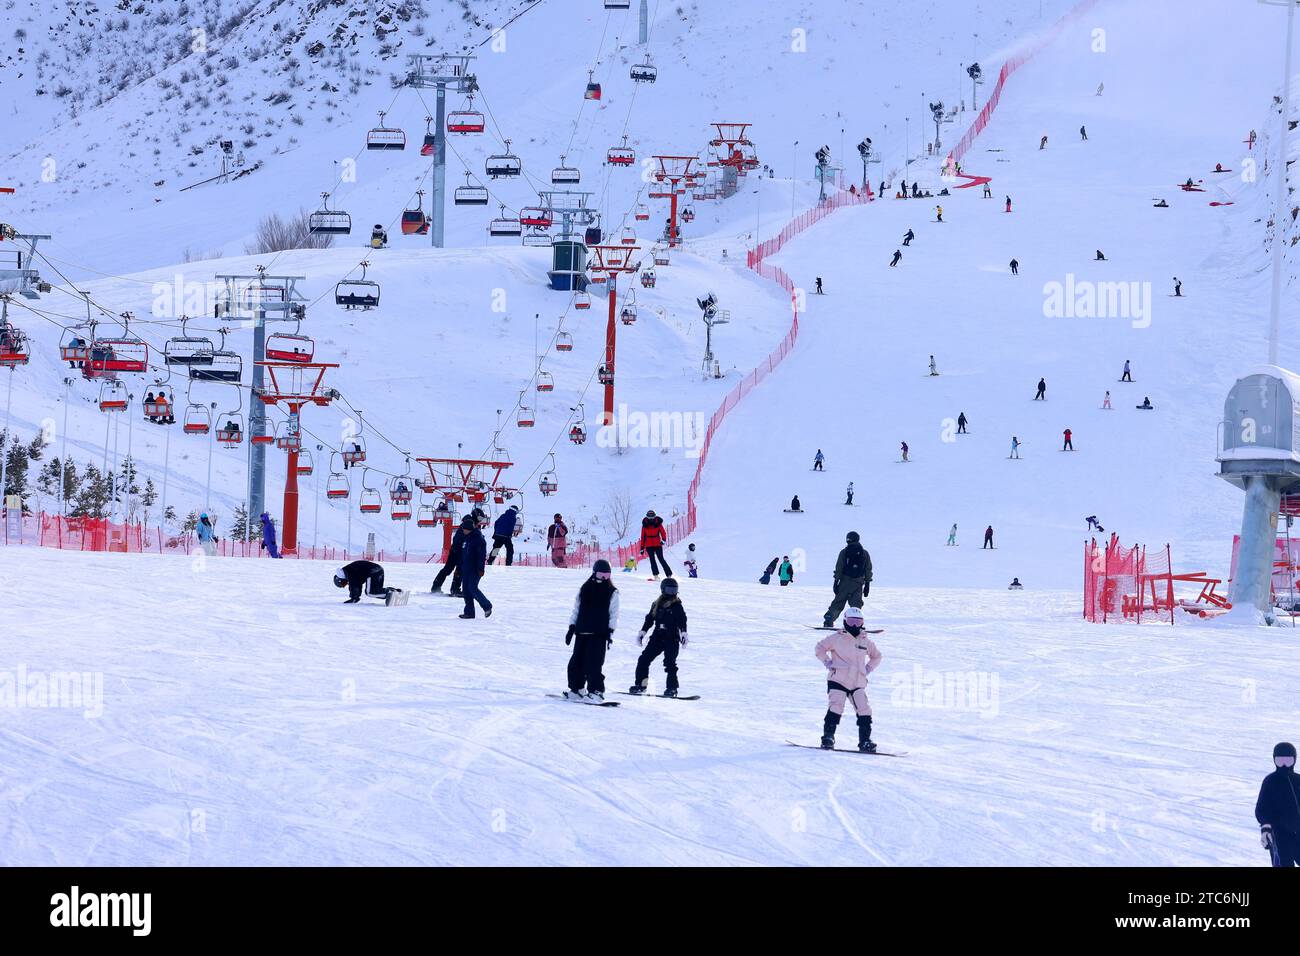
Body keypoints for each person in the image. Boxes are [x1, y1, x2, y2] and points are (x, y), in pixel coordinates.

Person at [814, 606, 882, 752]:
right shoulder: (837, 638)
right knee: (836, 706)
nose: (854, 626)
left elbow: (877, 656)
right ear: (845, 621)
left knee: (864, 710)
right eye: (851, 622)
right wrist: (828, 662)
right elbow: (819, 648)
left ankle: (865, 741)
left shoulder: (865, 641)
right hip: (838, 679)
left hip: (857, 682)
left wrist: (867, 669)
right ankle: (828, 737)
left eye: (858, 622)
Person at [564, 559, 620, 701]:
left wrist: (610, 631)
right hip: (582, 631)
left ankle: (596, 691)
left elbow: (614, 614)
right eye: (601, 574)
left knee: (593, 664)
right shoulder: (584, 589)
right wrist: (571, 627)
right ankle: (576, 689)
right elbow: (576, 610)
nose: (603, 578)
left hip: (599, 633)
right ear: (594, 573)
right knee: (575, 663)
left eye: (607, 576)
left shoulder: (612, 592)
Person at [630, 578, 688, 697]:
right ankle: (641, 685)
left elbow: (682, 620)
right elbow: (649, 620)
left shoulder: (677, 606)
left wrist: (683, 633)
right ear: (663, 589)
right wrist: (643, 632)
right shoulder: (656, 604)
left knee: (670, 663)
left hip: (671, 638)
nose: (672, 593)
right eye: (669, 590)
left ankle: (672, 688)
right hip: (657, 638)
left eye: (674, 590)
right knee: (644, 660)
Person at [1256, 742, 1300, 866]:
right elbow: (1262, 808)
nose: (1284, 765)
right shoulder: (1270, 781)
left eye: (1288, 761)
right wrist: (1266, 828)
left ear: (1294, 760)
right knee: (1283, 863)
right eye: (1280, 761)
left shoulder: (1298, 780)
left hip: (1298, 831)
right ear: (1274, 760)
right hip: (1279, 833)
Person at [822, 531, 871, 628]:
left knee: (838, 602)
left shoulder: (844, 552)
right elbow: (868, 569)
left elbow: (839, 567)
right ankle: (856, 624)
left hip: (845, 582)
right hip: (858, 583)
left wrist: (836, 581)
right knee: (856, 604)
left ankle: (829, 619)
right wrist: (867, 584)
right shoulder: (864, 553)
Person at [458, 514, 492, 619]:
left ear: (469, 529)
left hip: (475, 569)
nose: (463, 531)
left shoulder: (478, 539)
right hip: (465, 569)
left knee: (472, 588)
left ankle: (487, 606)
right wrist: (458, 569)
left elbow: (481, 556)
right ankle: (469, 612)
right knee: (466, 590)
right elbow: (463, 556)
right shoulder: (466, 539)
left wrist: (481, 569)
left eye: (464, 529)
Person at [640, 509, 672, 579]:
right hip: (648, 545)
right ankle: (656, 575)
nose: (651, 519)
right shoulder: (644, 525)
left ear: (654, 517)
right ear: (647, 518)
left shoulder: (658, 523)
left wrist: (663, 540)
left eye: (652, 517)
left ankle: (669, 574)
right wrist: (642, 548)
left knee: (661, 559)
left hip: (657, 543)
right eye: (649, 518)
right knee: (652, 560)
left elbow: (663, 532)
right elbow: (642, 537)